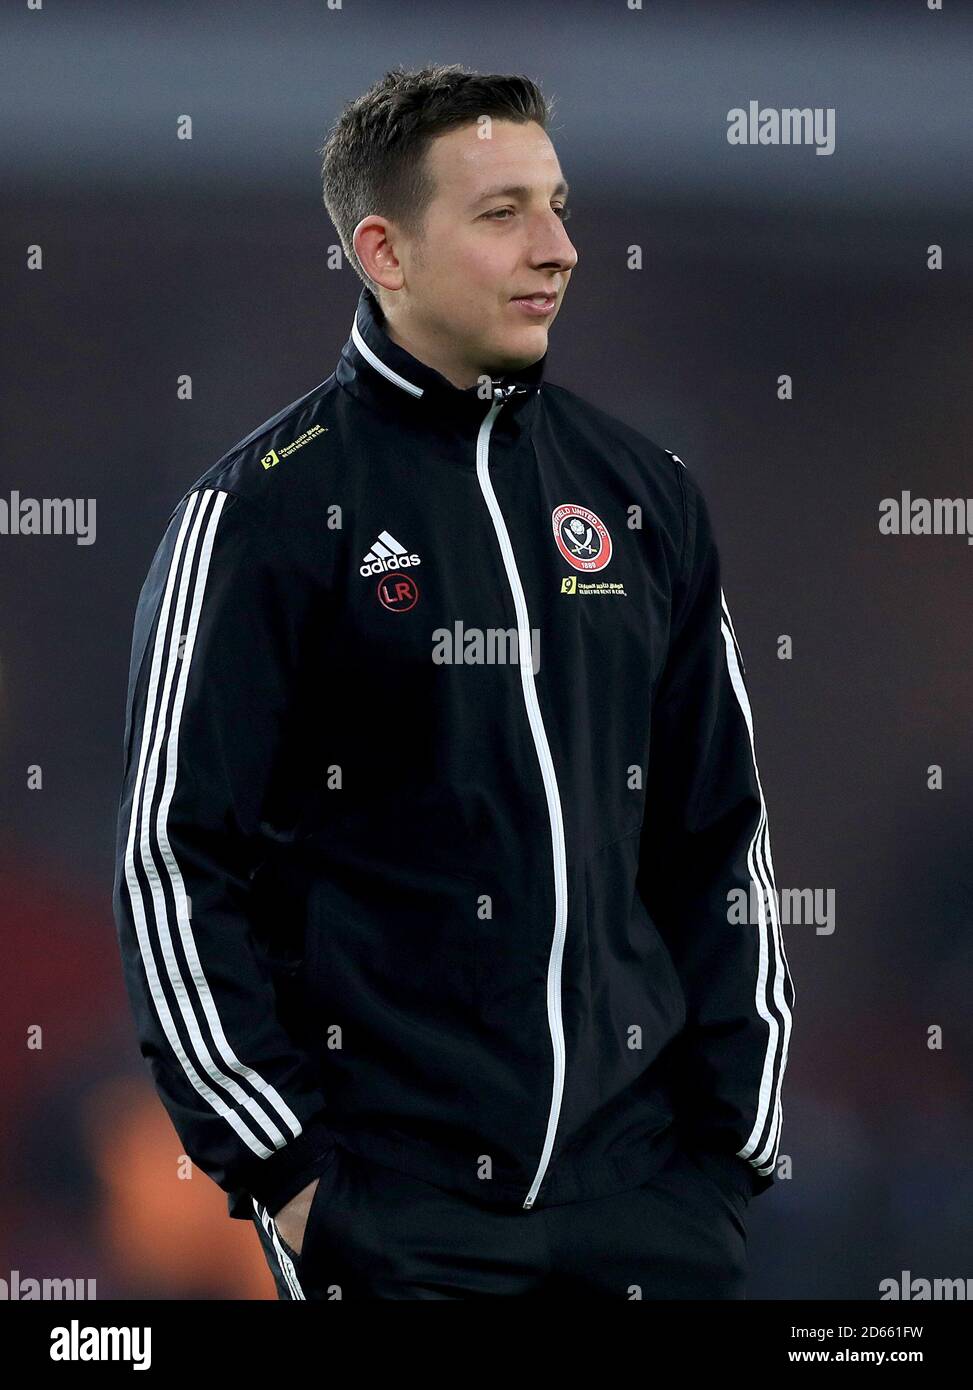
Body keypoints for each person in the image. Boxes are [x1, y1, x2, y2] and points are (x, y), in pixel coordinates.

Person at [111, 63, 795, 1300]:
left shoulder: (641, 497)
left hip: (650, 1212)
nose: (560, 247)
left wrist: (732, 1153)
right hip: (396, 1221)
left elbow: (718, 840)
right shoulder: (261, 510)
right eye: (502, 213)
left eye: (557, 201)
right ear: (383, 250)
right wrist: (291, 1176)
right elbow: (175, 860)